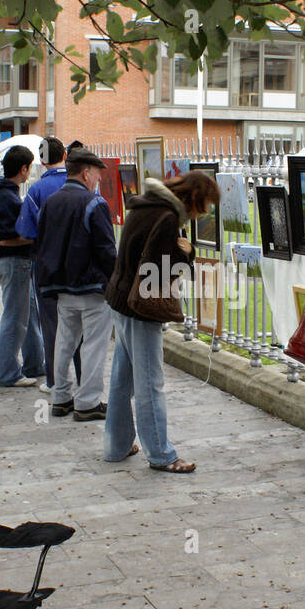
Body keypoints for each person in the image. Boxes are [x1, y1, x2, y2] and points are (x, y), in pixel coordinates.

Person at [104, 171, 218, 473]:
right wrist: (188, 253)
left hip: (121, 300)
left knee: (122, 380)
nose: (204, 212)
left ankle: (116, 445)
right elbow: (158, 271)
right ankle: (161, 454)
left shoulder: (145, 205)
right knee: (150, 383)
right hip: (141, 308)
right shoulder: (166, 218)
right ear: (193, 198)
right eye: (204, 204)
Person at [35, 148, 116, 421]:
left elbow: (42, 242)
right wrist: (115, 279)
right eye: (96, 175)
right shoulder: (94, 203)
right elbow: (106, 249)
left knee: (64, 342)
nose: (97, 181)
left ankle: (60, 397)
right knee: (93, 344)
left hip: (61, 286)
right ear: (85, 173)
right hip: (91, 287)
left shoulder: (52, 202)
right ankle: (88, 402)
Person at [16, 136, 80, 392]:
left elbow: (27, 231)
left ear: (41, 161)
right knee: (80, 325)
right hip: (78, 266)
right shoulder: (83, 185)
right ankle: (84, 380)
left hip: (46, 266)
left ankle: (56, 380)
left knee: (52, 325)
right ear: (65, 155)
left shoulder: (36, 191)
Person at [0, 145, 44, 387]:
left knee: (29, 315)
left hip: (16, 262)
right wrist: (35, 237)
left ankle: (35, 363)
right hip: (14, 261)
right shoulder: (6, 197)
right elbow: (5, 236)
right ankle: (8, 373)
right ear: (24, 169)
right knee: (15, 317)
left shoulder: (3, 194)